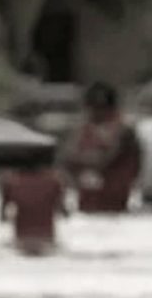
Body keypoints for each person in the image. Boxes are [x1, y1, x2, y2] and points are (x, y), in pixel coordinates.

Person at [60, 82, 141, 213]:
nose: (95, 113)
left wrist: (82, 159)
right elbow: (67, 156)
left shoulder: (123, 130)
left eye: (100, 108)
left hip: (115, 202)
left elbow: (104, 159)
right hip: (87, 201)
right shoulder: (84, 129)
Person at [0, 162, 67, 253]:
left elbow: (2, 215)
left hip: (22, 240)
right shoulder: (54, 182)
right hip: (46, 239)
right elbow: (63, 211)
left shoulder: (11, 183)